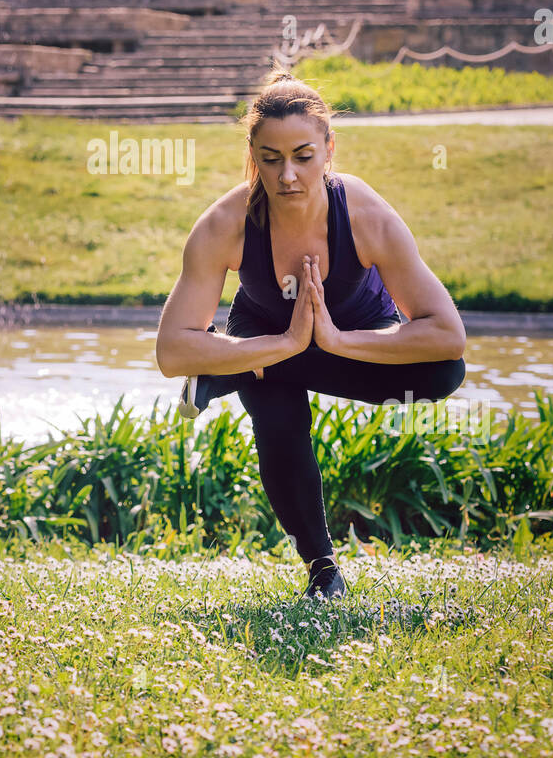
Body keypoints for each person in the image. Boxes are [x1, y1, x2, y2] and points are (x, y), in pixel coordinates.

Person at [155, 69, 467, 601]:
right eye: (270, 159)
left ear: (328, 148)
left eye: (303, 155)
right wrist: (281, 345)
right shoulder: (223, 225)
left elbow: (447, 336)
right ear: (253, 154)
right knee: (280, 426)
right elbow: (170, 351)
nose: (287, 176)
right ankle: (323, 569)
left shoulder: (367, 215)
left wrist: (335, 340)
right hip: (265, 334)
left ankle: (222, 374)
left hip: (355, 336)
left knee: (444, 373)